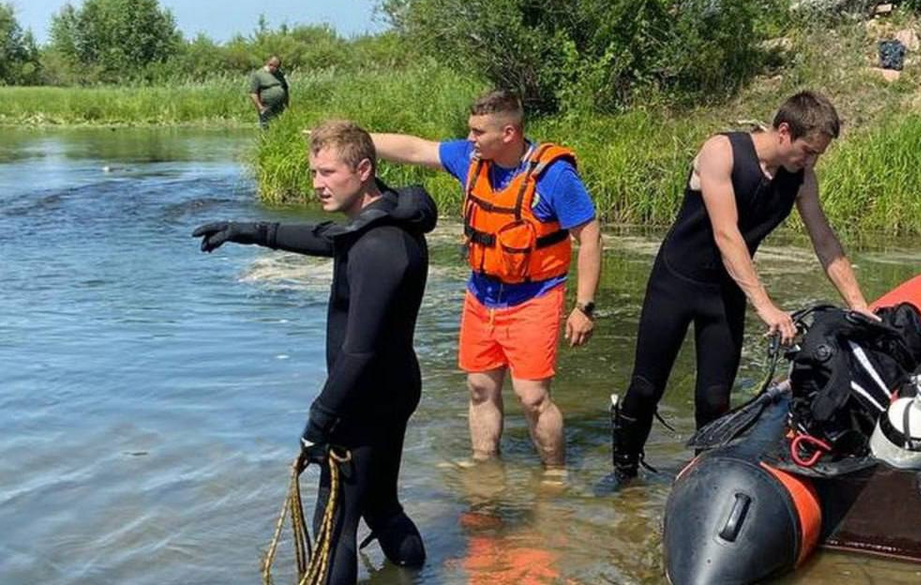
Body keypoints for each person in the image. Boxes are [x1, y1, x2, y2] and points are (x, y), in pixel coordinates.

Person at [192, 120, 434, 584]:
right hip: (392, 388)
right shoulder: (382, 219)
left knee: (335, 527)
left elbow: (359, 352)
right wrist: (247, 230)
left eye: (327, 173)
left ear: (363, 169)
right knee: (381, 503)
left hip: (366, 399)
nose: (318, 184)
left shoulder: (380, 247)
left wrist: (320, 420)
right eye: (313, 172)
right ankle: (417, 576)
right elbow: (326, 238)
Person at [611, 91, 874, 480]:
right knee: (647, 387)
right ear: (784, 132)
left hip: (725, 293)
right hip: (676, 283)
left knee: (715, 399)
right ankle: (624, 477)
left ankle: (701, 484)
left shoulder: (800, 178)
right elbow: (726, 234)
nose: (811, 161)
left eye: (818, 154)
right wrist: (765, 305)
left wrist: (858, 304)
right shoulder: (722, 151)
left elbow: (824, 239)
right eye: (807, 151)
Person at [371, 90, 601, 470]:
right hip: (482, 294)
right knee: (479, 387)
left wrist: (584, 306)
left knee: (532, 397)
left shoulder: (554, 176)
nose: (470, 139)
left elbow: (590, 236)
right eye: (470, 130)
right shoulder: (471, 158)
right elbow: (415, 149)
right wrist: (351, 139)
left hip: (535, 296)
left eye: (479, 131)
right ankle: (484, 467)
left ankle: (554, 476)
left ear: (508, 133)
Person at [248, 55, 289, 127]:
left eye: (277, 66)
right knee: (266, 126)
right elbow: (253, 93)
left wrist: (287, 104)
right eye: (272, 65)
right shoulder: (258, 74)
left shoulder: (279, 74)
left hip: (280, 106)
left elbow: (285, 89)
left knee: (280, 126)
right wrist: (260, 107)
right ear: (268, 63)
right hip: (266, 107)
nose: (274, 68)